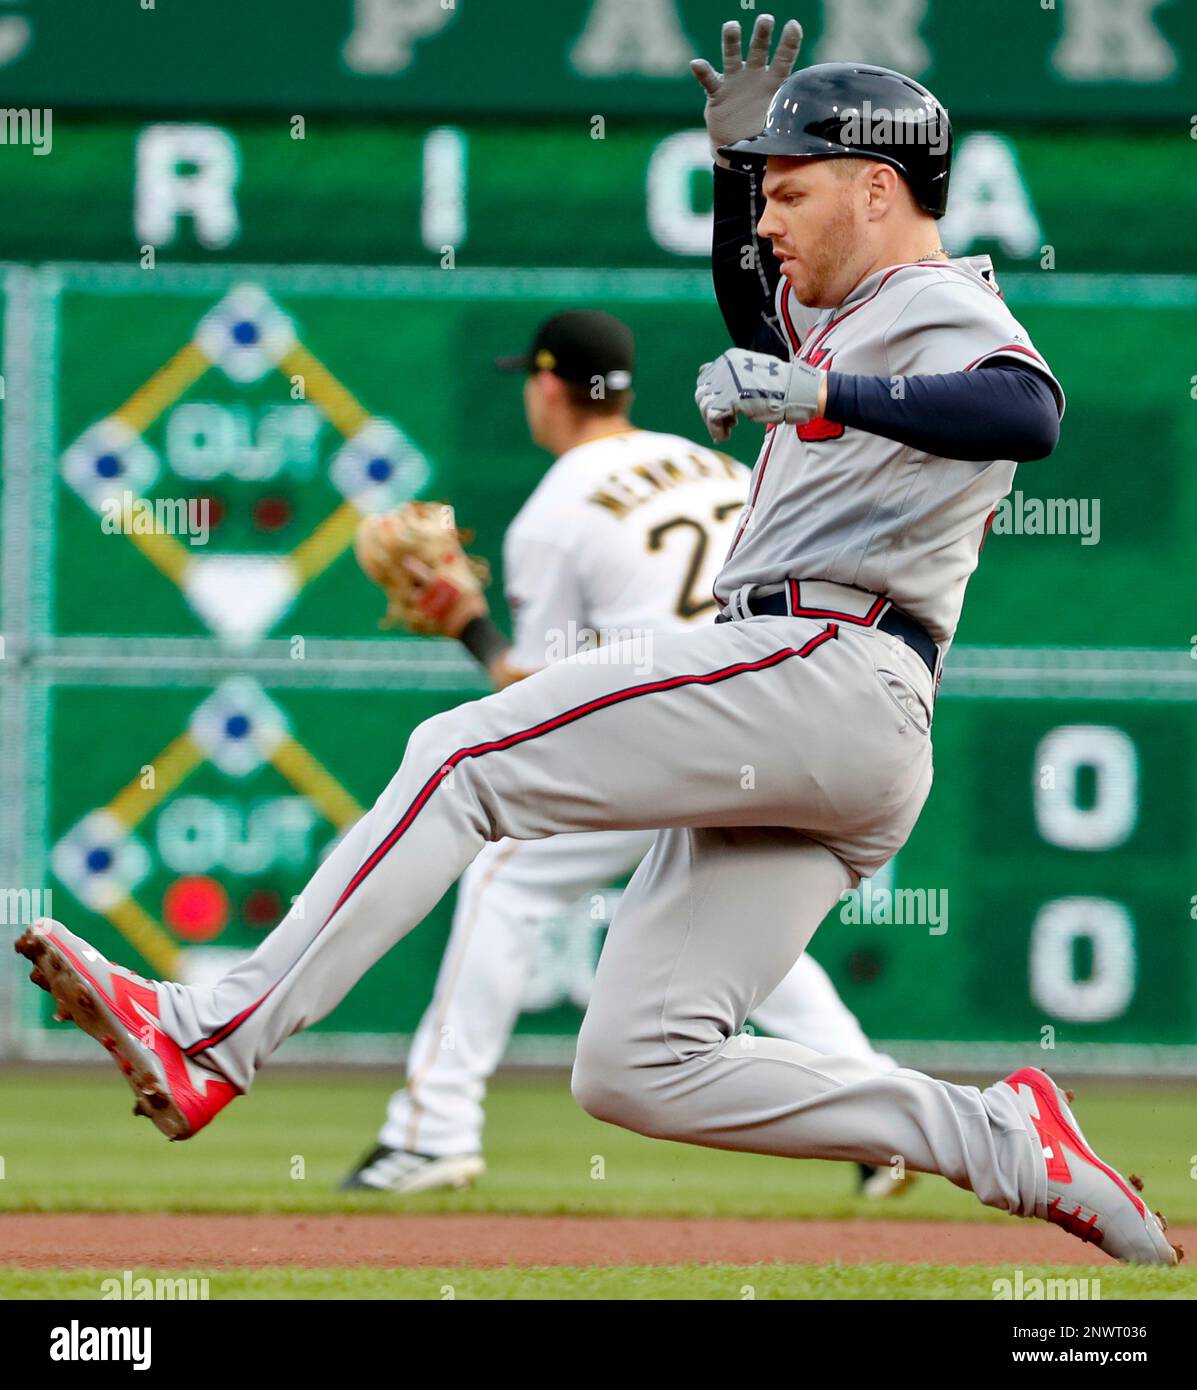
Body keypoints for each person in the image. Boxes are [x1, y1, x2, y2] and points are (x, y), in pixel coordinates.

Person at [17, 16, 1177, 1265]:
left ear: (880, 188)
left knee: (461, 760)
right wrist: (737, 165)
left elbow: (1028, 411)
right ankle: (1006, 1143)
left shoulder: (939, 300)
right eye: (766, 194)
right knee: (637, 1065)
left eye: (792, 190)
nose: (770, 219)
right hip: (838, 718)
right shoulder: (863, 312)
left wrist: (819, 392)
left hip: (822, 666)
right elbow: (761, 310)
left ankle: (213, 1036)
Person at [339, 309, 906, 1199]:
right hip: (792, 706)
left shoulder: (556, 509)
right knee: (731, 927)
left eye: (529, 377)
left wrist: (469, 625)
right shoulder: (720, 466)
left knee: (504, 878)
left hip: (684, 723)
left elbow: (540, 705)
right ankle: (881, 1119)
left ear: (550, 385)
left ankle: (431, 1129)